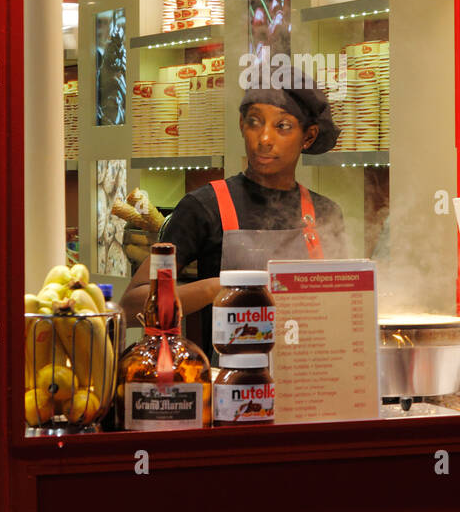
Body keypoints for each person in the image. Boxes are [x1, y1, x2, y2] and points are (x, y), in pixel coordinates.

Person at [121, 80, 348, 355]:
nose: (264, 139)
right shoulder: (205, 207)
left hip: (309, 376)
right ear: (241, 124)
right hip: (229, 385)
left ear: (308, 136)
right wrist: (213, 289)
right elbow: (132, 305)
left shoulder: (325, 214)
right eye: (254, 122)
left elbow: (341, 305)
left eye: (282, 126)